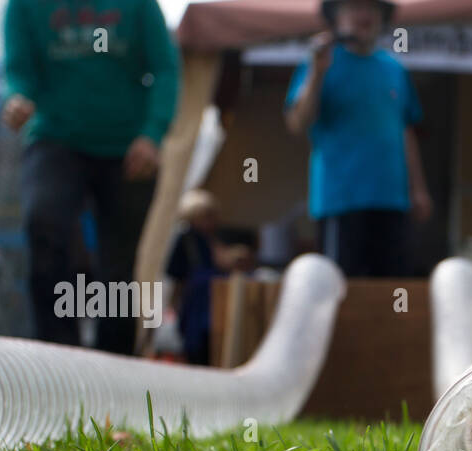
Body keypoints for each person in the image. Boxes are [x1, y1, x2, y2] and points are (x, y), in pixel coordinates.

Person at [2, 0, 180, 354]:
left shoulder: (140, 6)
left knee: (118, 268)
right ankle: (57, 358)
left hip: (128, 149)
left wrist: (152, 133)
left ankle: (113, 369)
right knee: (44, 225)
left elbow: (165, 68)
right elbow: (19, 68)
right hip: (54, 137)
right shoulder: (23, 6)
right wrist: (17, 98)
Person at [284, 0, 432, 277]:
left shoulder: (394, 69)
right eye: (353, 7)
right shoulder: (320, 64)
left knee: (392, 287)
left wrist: (418, 188)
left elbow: (405, 130)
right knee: (339, 287)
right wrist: (317, 73)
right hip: (342, 199)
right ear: (336, 18)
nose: (363, 15)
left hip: (392, 198)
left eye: (370, 8)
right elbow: (298, 122)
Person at [165, 190, 251, 366]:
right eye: (207, 216)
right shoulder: (186, 239)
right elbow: (176, 276)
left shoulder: (209, 238)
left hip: (210, 303)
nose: (212, 221)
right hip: (195, 304)